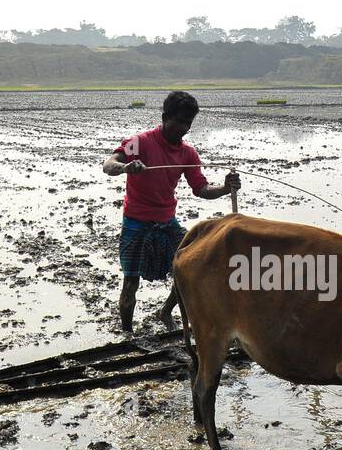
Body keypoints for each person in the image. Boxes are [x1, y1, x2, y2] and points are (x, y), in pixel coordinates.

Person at [103, 91, 241, 333]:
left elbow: (201, 188)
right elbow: (109, 164)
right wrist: (126, 167)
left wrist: (225, 188)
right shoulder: (139, 142)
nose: (184, 128)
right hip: (136, 222)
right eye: (179, 121)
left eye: (188, 123)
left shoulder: (188, 153)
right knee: (130, 283)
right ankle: (127, 333)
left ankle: (165, 310)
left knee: (188, 270)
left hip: (167, 222)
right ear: (165, 117)